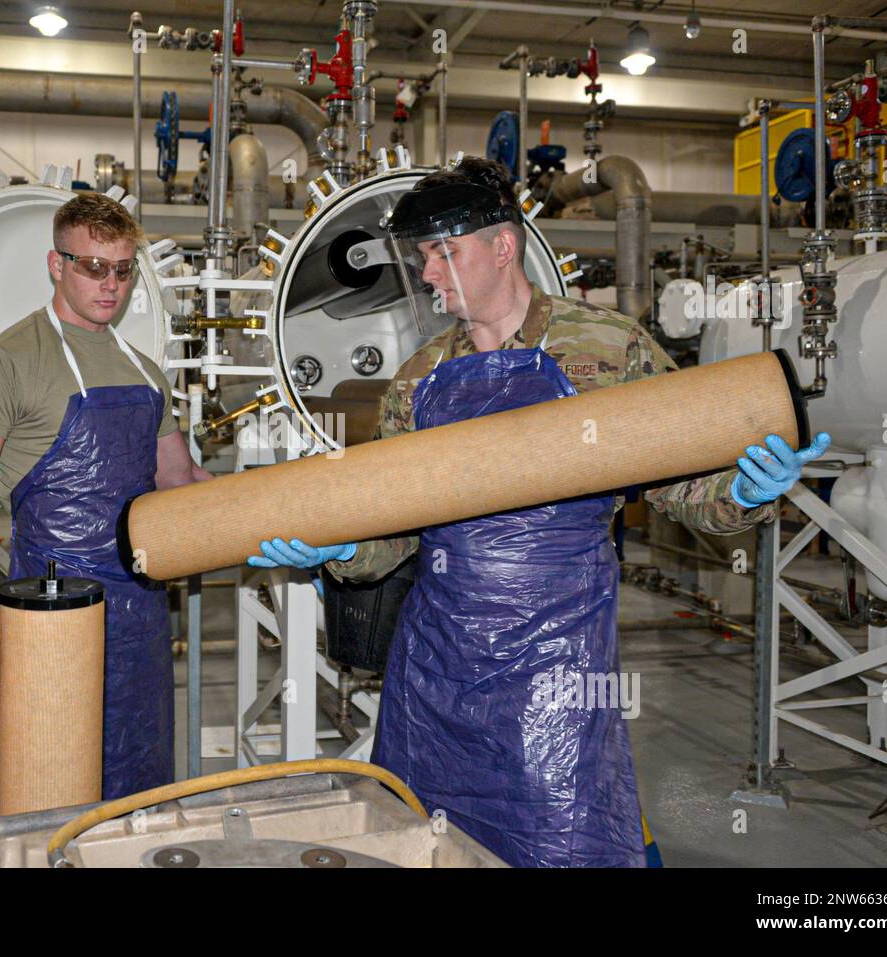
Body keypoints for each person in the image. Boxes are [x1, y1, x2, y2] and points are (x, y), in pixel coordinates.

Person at [250, 156, 829, 866]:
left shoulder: (608, 352)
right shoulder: (418, 378)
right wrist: (335, 550)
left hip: (559, 662)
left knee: (561, 841)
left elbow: (684, 489)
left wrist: (743, 492)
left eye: (444, 252)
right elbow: (392, 531)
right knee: (429, 842)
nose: (428, 273)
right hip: (440, 667)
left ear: (503, 246)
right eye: (423, 255)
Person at [0, 192, 211, 800]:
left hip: (140, 620)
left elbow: (181, 483)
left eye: (122, 270)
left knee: (139, 783)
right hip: (51, 615)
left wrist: (282, 510)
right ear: (56, 265)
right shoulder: (1, 365)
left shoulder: (144, 371)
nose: (110, 285)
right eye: (91, 267)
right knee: (54, 778)